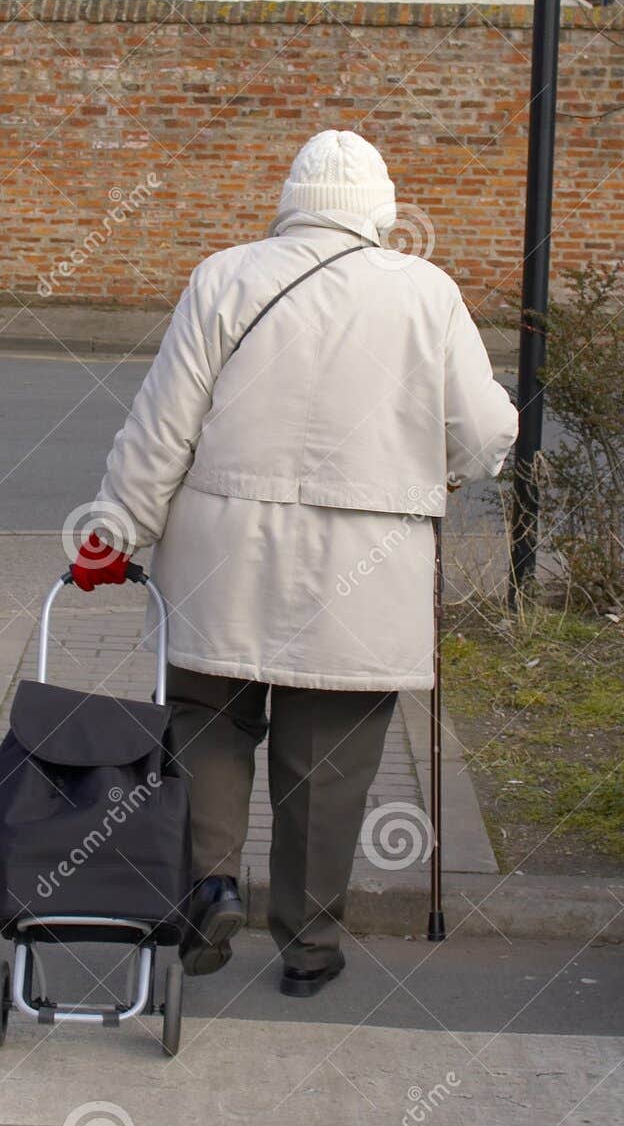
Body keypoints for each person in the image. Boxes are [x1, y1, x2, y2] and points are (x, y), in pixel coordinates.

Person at [71, 130, 517, 996]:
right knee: (329, 763)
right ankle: (309, 947)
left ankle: (211, 884)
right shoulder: (425, 292)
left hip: (220, 559)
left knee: (207, 725)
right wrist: (442, 468)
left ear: (291, 200)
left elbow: (162, 428)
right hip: (367, 565)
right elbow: (488, 429)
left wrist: (114, 532)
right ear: (378, 213)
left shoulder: (223, 277)